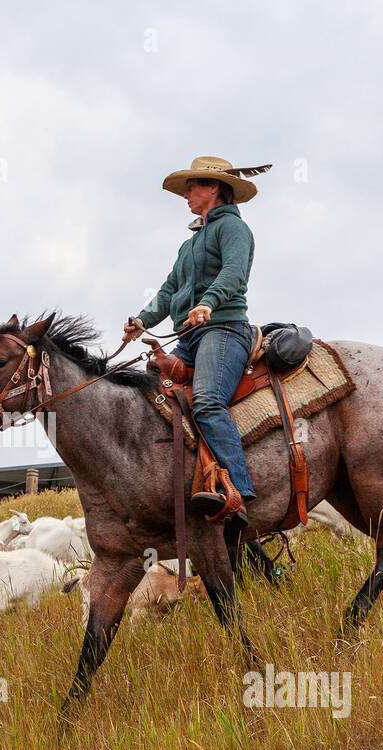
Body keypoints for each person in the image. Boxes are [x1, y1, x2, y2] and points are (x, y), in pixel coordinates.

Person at [125, 155, 269, 529]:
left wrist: (207, 304)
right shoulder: (189, 245)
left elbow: (234, 274)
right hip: (188, 337)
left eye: (194, 186)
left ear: (215, 188)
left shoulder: (235, 231)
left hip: (223, 329)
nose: (187, 193)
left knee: (206, 402)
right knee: (156, 400)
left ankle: (237, 493)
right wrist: (142, 320)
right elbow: (169, 289)